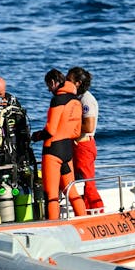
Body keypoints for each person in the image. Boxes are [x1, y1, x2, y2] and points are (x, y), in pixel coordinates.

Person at [31, 69, 87, 220]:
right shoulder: (76, 101)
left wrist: (35, 136)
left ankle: (53, 226)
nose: (49, 90)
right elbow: (76, 131)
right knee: (72, 191)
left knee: (52, 195)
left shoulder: (58, 99)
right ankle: (83, 221)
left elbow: (50, 130)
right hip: (67, 150)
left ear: (53, 82)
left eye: (49, 86)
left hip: (53, 151)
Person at [66, 66, 104, 212]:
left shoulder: (86, 99)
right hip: (75, 145)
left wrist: (68, 128)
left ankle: (97, 210)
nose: (66, 83)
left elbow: (88, 126)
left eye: (69, 80)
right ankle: (82, 209)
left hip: (83, 145)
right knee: (76, 181)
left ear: (77, 83)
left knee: (88, 182)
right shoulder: (76, 98)